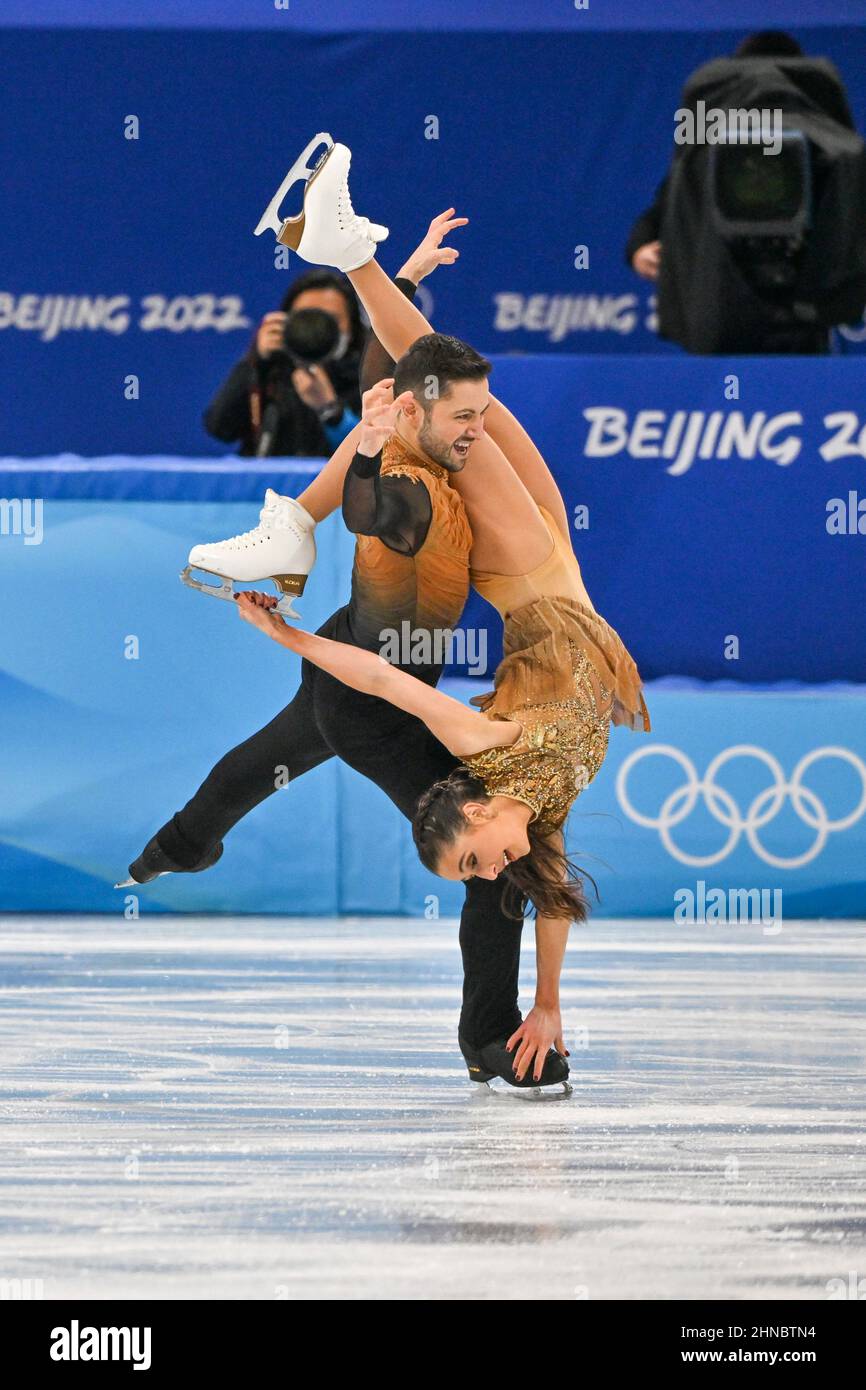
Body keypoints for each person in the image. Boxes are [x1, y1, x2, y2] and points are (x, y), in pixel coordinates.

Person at [122, 210, 570, 1091]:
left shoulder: (444, 444)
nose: (474, 425)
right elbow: (376, 501)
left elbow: (409, 373)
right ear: (415, 419)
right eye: (462, 416)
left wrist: (390, 274)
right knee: (490, 856)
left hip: (354, 662)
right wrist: (363, 458)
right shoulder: (407, 484)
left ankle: (180, 843)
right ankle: (489, 1038)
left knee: (278, 751)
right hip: (368, 684)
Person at [203, 268, 366, 457]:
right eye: (306, 317)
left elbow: (378, 454)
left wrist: (330, 410)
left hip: (341, 486)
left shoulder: (370, 375)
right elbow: (219, 428)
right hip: (270, 484)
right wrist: (257, 362)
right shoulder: (271, 370)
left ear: (352, 326)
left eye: (331, 319)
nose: (318, 327)